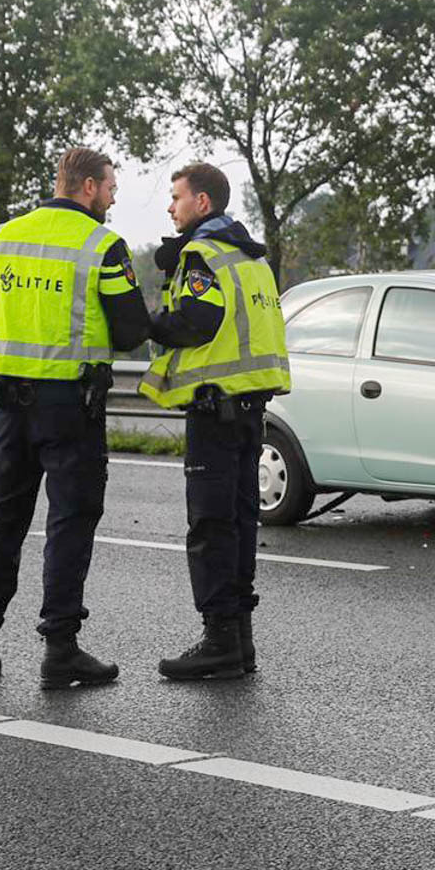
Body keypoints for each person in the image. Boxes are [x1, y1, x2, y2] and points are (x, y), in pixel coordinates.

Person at [0, 146, 152, 689]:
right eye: (112, 188)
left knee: (1, 524)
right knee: (68, 526)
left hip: (4, 408)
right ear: (88, 187)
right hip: (70, 409)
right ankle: (60, 650)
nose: (113, 199)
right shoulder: (101, 245)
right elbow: (132, 328)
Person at [140, 162, 290, 681]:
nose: (170, 206)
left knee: (209, 526)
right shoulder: (250, 258)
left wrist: (143, 322)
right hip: (251, 412)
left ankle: (219, 640)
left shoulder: (202, 256)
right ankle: (240, 643)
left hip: (215, 411)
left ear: (202, 203)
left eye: (176, 197)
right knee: (238, 523)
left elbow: (197, 322)